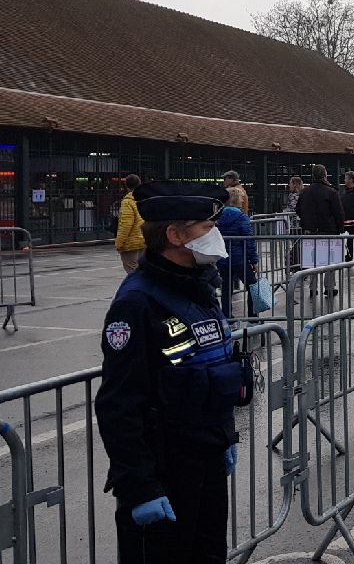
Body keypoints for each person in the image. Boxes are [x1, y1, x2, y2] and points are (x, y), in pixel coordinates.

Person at [96, 181, 249, 563]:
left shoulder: (199, 288)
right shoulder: (137, 303)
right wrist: (140, 486)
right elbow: (119, 404)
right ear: (175, 235)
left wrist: (224, 437)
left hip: (206, 460)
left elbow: (214, 366)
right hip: (164, 472)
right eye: (205, 226)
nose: (215, 234)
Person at [215, 205, 257, 317]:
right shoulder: (241, 217)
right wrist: (253, 260)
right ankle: (252, 317)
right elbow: (248, 240)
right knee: (252, 285)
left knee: (226, 288)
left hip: (222, 257)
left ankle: (227, 316)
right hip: (239, 258)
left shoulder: (217, 217)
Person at [295, 165, 344, 237]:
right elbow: (338, 212)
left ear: (313, 175)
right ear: (325, 175)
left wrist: (306, 220)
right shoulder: (332, 192)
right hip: (328, 230)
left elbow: (298, 209)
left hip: (309, 230)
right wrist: (340, 229)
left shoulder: (304, 192)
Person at [115, 174, 146, 274]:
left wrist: (119, 243)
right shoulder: (145, 200)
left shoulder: (127, 202)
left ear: (127, 186)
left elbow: (126, 224)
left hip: (131, 243)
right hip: (143, 240)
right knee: (141, 269)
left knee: (132, 270)